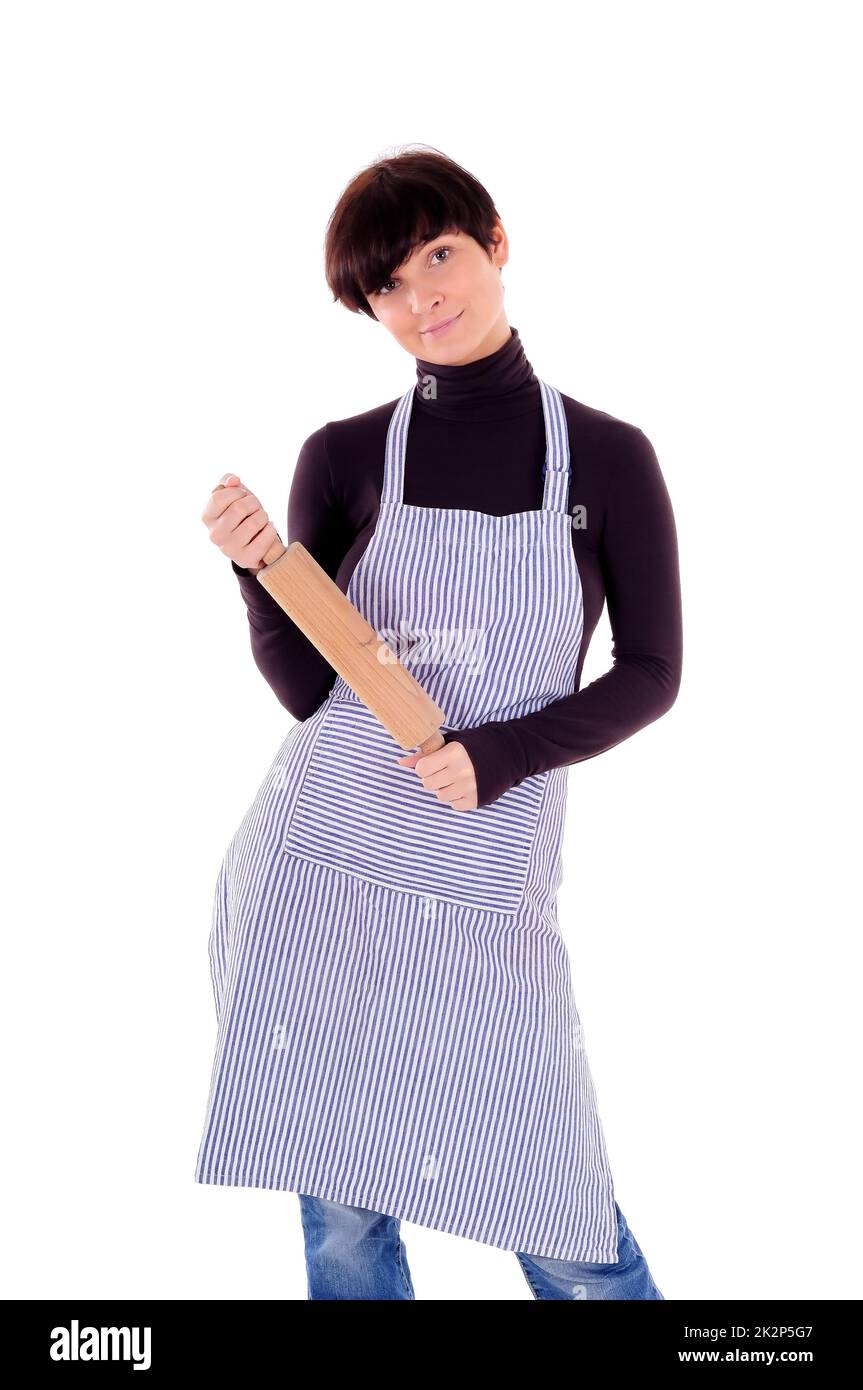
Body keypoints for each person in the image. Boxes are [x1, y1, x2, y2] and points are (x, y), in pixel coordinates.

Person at [196, 146, 681, 1301]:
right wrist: (257, 568)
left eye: (439, 257)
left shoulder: (607, 459)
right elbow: (314, 693)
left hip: (488, 870)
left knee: (562, 1212)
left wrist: (502, 754)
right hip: (328, 870)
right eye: (387, 288)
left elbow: (653, 671)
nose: (422, 300)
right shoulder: (345, 455)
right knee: (346, 1210)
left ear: (495, 243)